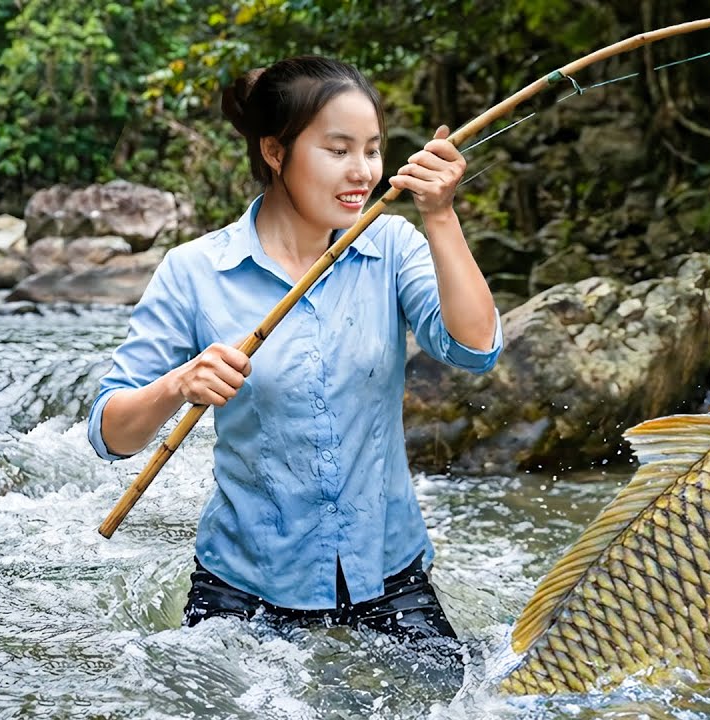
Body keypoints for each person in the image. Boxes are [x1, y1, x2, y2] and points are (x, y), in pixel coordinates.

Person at [86, 56, 502, 647]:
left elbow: (475, 349)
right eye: (338, 150)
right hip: (243, 590)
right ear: (276, 152)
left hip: (389, 575)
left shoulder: (392, 245)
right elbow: (110, 435)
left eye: (373, 150)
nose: (362, 172)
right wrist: (179, 383)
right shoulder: (195, 271)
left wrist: (440, 215)